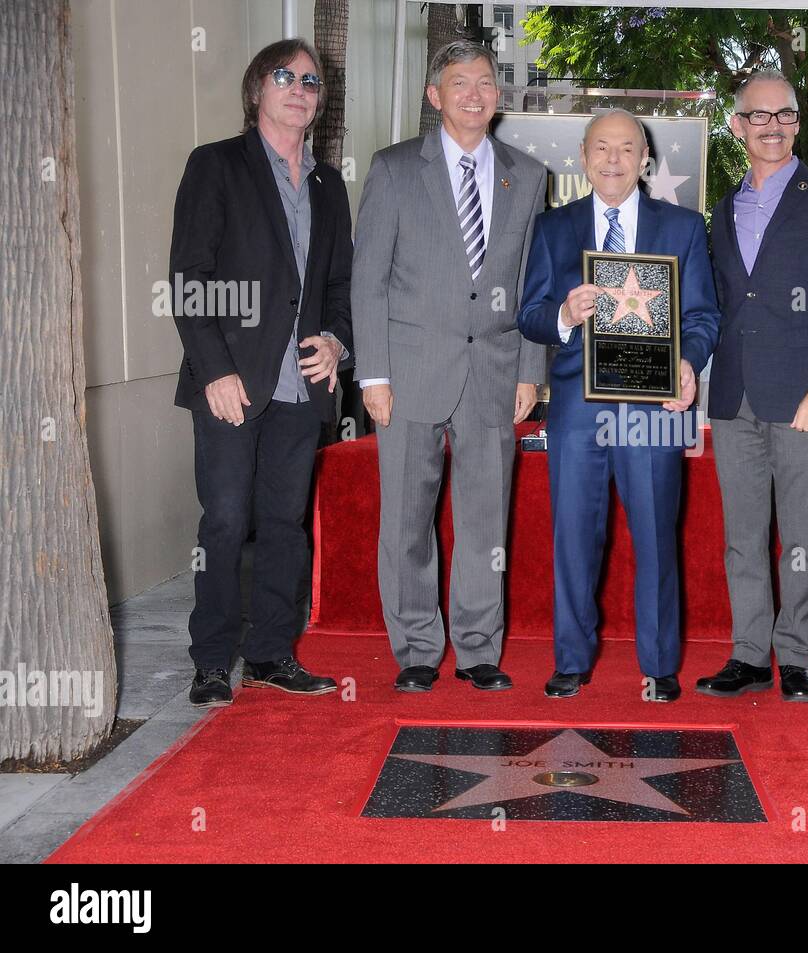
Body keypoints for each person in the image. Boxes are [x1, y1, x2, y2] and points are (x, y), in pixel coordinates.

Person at [352, 40, 547, 694]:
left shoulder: (528, 174)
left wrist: (530, 369)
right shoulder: (394, 169)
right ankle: (413, 647)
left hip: (494, 374)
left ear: (498, 95)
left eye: (485, 82)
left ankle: (477, 648)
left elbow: (531, 283)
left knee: (486, 519)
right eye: (458, 82)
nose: (473, 93)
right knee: (407, 518)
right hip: (407, 375)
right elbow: (368, 280)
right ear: (434, 96)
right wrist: (372, 374)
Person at [170, 39, 353, 707]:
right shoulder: (216, 165)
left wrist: (336, 342)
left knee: (283, 520)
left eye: (310, 80)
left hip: (301, 384)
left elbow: (340, 284)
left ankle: (273, 652)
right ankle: (213, 658)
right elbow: (190, 279)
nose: (299, 87)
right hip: (233, 382)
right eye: (285, 76)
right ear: (257, 90)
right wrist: (213, 368)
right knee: (224, 519)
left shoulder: (329, 185)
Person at [517, 109, 721, 702]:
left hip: (653, 408)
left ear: (644, 159)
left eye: (626, 149)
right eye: (602, 148)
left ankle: (659, 666)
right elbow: (528, 314)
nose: (613, 159)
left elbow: (704, 315)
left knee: (657, 534)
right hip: (577, 407)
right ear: (583, 157)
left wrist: (688, 362)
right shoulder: (554, 229)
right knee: (574, 535)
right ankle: (571, 661)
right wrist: (562, 315)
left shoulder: (682, 227)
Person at [697, 72, 808, 703]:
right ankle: (748, 653)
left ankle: (796, 656)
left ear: (797, 123)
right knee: (742, 536)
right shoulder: (722, 211)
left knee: (800, 535)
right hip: (733, 398)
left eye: (785, 115)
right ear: (738, 125)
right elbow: (714, 306)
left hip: (804, 400)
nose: (773, 126)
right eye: (758, 116)